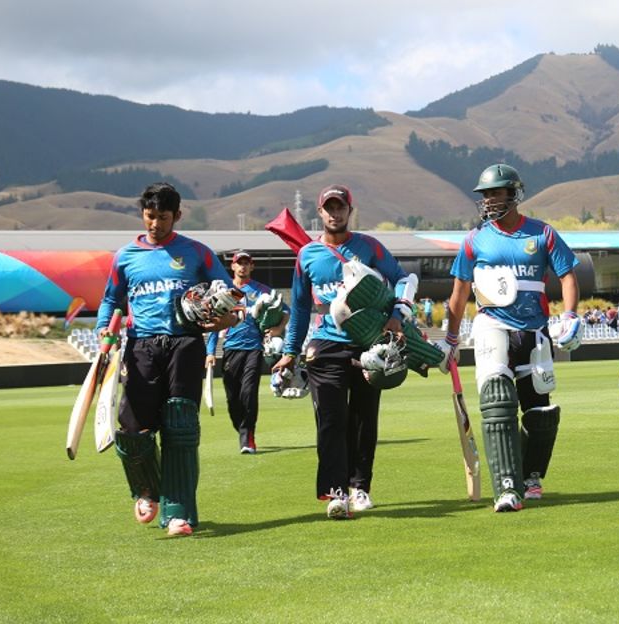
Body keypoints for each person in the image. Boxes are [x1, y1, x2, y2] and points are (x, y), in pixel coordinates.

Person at [95, 182, 239, 537]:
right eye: (150, 216)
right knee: (131, 429)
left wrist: (227, 319)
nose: (155, 224)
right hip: (141, 346)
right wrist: (103, 330)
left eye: (163, 217)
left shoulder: (197, 253)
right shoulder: (125, 256)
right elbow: (111, 300)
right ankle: (147, 489)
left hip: (185, 344)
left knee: (180, 426)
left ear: (177, 215)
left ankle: (178, 513)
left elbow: (232, 295)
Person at [442, 164, 581, 513]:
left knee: (540, 413)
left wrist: (569, 315)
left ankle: (530, 476)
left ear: (513, 194)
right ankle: (506, 487)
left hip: (534, 332)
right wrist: (451, 338)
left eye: (495, 193)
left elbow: (567, 275)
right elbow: (459, 293)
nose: (489, 200)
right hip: (492, 326)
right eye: (485, 194)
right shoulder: (474, 239)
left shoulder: (542, 233)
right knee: (498, 404)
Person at [272, 184, 415, 519]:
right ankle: (336, 492)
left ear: (350, 210)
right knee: (330, 420)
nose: (335, 213)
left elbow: (401, 279)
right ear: (320, 212)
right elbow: (301, 307)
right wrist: (290, 351)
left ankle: (360, 486)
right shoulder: (307, 255)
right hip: (325, 344)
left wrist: (397, 314)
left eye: (341, 207)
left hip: (368, 342)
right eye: (329, 208)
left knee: (364, 418)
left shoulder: (369, 246)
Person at [205, 251, 289, 454]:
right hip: (230, 348)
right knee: (233, 398)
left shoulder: (262, 290)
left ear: (252, 266)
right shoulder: (226, 291)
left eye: (246, 263)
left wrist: (278, 328)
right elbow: (215, 320)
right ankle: (242, 429)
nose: (242, 266)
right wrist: (210, 351)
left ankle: (248, 436)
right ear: (232, 266)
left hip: (254, 348)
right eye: (239, 263)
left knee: (249, 392)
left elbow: (286, 310)